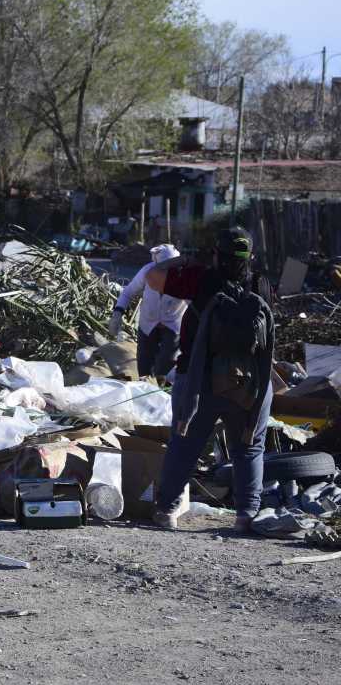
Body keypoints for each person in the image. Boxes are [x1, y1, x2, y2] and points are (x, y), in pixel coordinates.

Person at [145, 227, 275, 532]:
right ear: (249, 257)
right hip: (249, 383)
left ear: (216, 254)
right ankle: (245, 516)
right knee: (249, 448)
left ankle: (166, 512)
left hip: (199, 381)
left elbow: (152, 277)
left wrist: (181, 261)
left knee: (184, 445)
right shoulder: (261, 284)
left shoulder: (200, 278)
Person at [108, 244, 186, 379]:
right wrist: (118, 313)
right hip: (148, 324)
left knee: (165, 366)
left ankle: (162, 387)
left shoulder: (184, 277)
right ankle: (145, 387)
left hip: (173, 325)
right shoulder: (147, 272)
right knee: (144, 366)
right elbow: (128, 292)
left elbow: (195, 303)